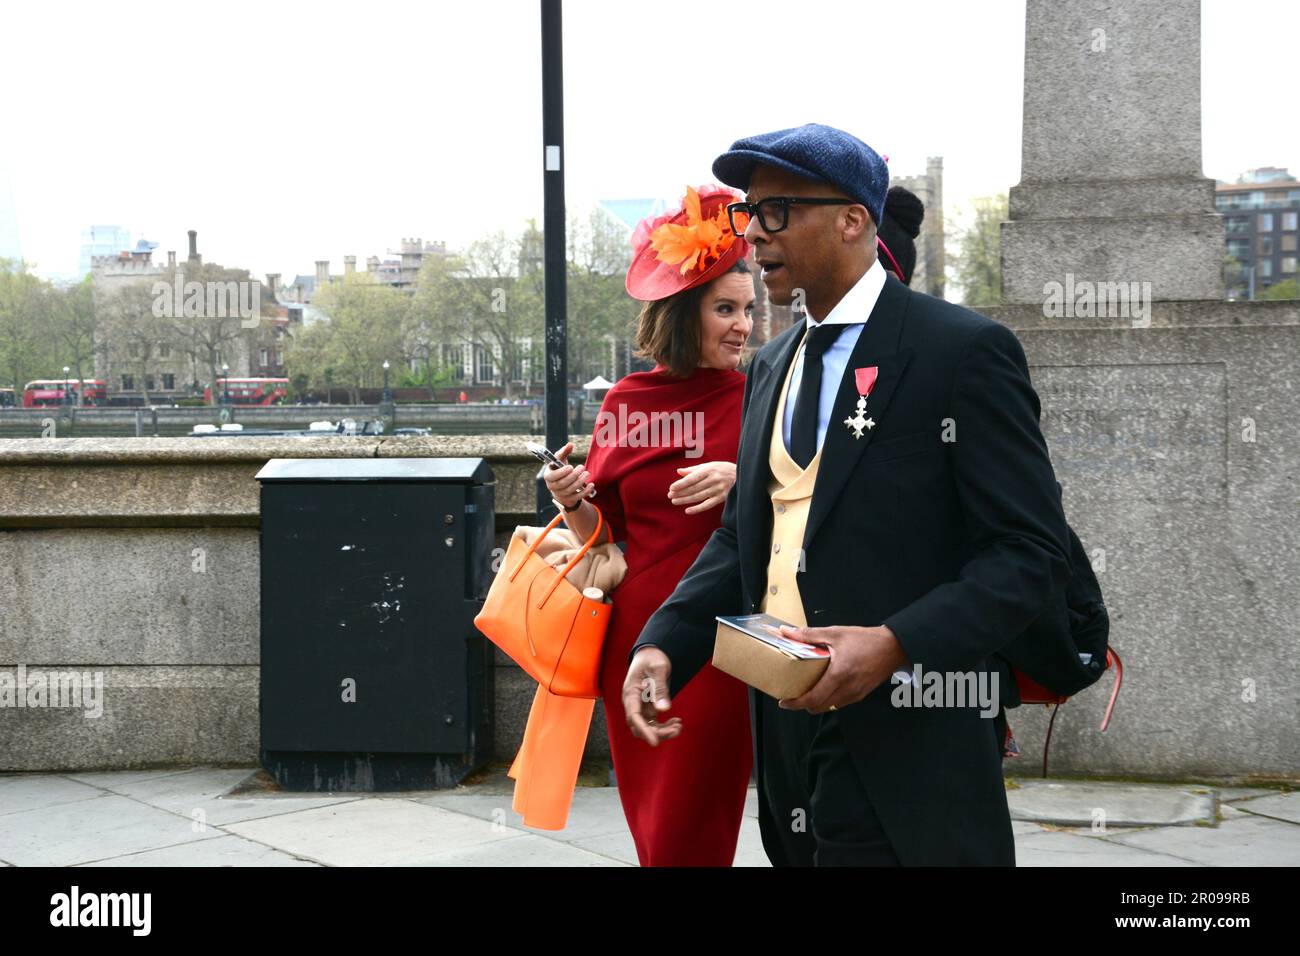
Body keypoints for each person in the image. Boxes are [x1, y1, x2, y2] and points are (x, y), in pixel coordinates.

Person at [623, 124, 1073, 866]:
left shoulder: (962, 351)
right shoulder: (771, 364)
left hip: (912, 734)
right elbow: (744, 533)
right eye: (748, 212)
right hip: (787, 732)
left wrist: (891, 646)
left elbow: (1029, 556)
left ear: (852, 220)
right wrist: (665, 643)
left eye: (775, 211)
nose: (753, 234)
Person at [543, 185, 756, 866]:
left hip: (720, 641)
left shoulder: (765, 395)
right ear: (681, 314)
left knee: (691, 826)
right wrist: (570, 497)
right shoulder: (628, 401)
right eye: (725, 308)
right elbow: (602, 540)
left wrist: (739, 479)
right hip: (634, 637)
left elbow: (812, 499)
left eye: (749, 309)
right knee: (654, 827)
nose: (743, 326)